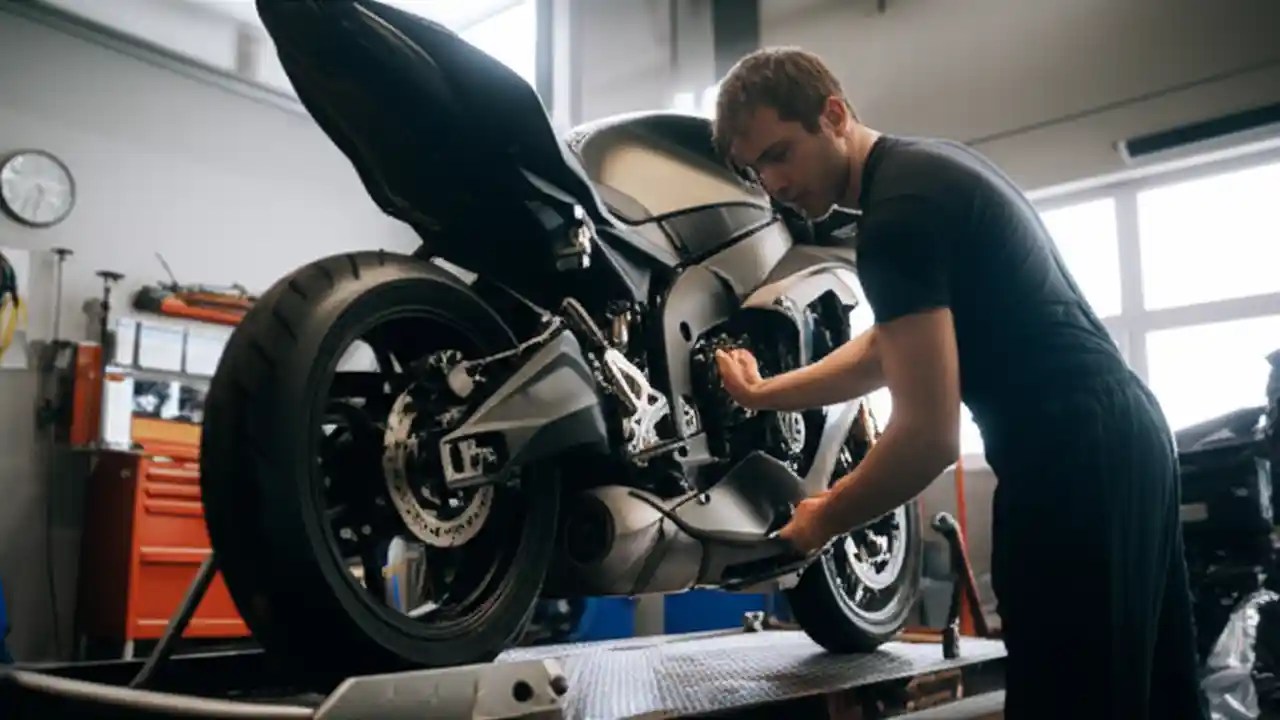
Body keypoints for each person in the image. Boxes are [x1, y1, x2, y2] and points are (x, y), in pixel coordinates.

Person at [709, 47, 1208, 719]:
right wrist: (767, 392)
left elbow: (926, 437)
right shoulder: (925, 172)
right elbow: (890, 348)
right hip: (1122, 435)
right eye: (755, 169)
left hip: (1072, 452)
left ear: (833, 115)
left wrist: (819, 521)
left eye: (779, 155)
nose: (773, 185)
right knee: (1155, 698)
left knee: (1071, 699)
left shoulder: (896, 219)